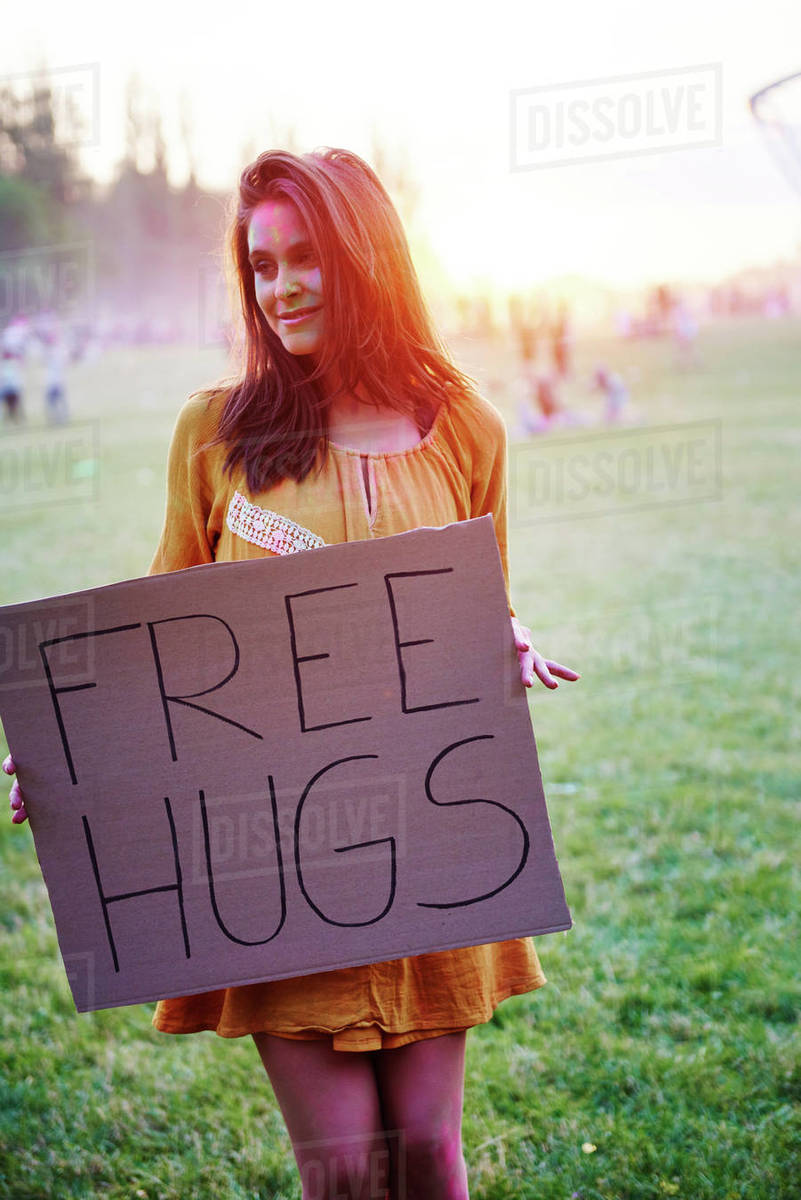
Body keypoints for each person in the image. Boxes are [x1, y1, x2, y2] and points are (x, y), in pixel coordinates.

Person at [5, 147, 579, 1200]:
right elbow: (164, 623)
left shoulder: (465, 428)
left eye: (305, 258)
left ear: (368, 258)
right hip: (282, 859)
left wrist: (507, 632)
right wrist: (67, 745)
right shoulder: (215, 434)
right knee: (348, 1172)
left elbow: (480, 592)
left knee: (429, 1155)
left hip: (432, 836)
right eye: (262, 267)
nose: (281, 290)